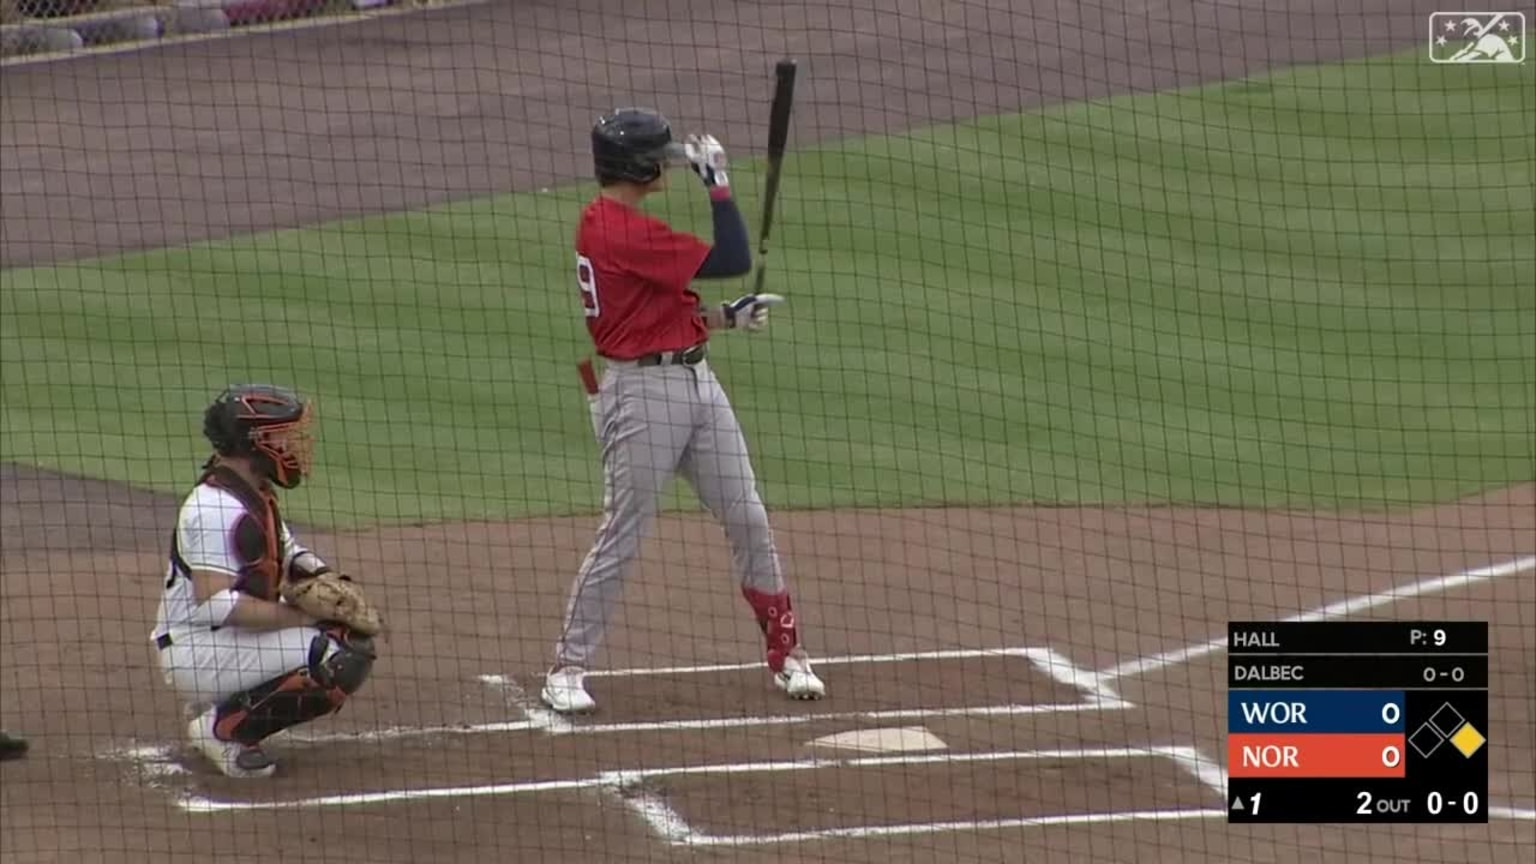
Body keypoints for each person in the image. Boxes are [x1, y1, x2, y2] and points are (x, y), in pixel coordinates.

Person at [540, 107, 826, 714]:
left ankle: (787, 653)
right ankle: (567, 665)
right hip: (643, 398)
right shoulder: (618, 229)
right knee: (623, 530)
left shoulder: (619, 224)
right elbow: (732, 255)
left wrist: (726, 317)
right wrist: (717, 185)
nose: (670, 167)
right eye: (663, 159)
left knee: (747, 515)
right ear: (640, 167)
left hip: (696, 382)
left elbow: (657, 309)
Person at [152, 384, 377, 778]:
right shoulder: (215, 509)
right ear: (253, 442)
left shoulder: (251, 492)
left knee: (342, 632)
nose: (292, 445)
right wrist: (304, 616)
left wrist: (324, 579)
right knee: (339, 654)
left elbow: (288, 553)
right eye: (281, 436)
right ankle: (224, 730)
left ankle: (221, 704)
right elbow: (217, 604)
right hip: (198, 649)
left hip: (219, 640)